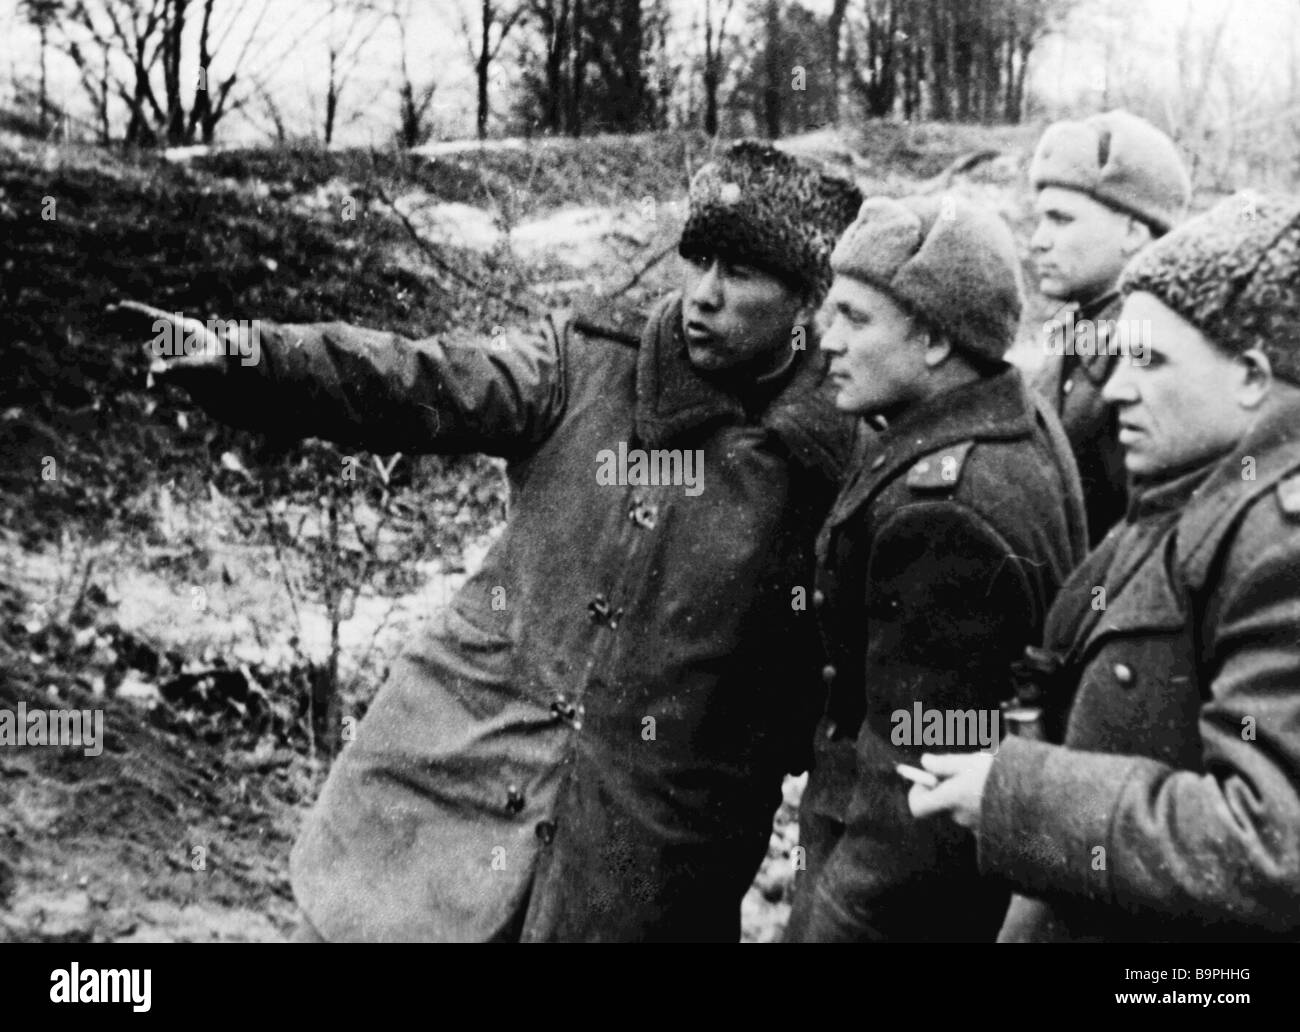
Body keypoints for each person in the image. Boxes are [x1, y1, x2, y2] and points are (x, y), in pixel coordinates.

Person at [120, 141, 863, 941]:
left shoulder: (834, 461)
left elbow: (837, 698)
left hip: (638, 856)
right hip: (454, 774)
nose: (704, 296)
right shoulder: (587, 363)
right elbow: (415, 380)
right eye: (700, 261)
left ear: (806, 301)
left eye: (741, 274)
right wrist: (248, 356)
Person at [910, 193, 1300, 942]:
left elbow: (1267, 841)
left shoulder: (1277, 544)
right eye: (1119, 356)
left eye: (1149, 360)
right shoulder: (1193, 491)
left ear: (1252, 375)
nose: (1118, 385)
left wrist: (1017, 795)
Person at [783, 194, 1087, 942]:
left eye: (855, 319)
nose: (826, 340)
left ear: (934, 341)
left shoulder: (941, 518)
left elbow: (911, 793)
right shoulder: (1011, 418)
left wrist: (836, 924)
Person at [1028, 110, 1191, 545]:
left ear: (1134, 232)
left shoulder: (1154, 355)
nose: (1038, 240)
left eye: (1061, 219)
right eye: (1040, 219)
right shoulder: (1078, 330)